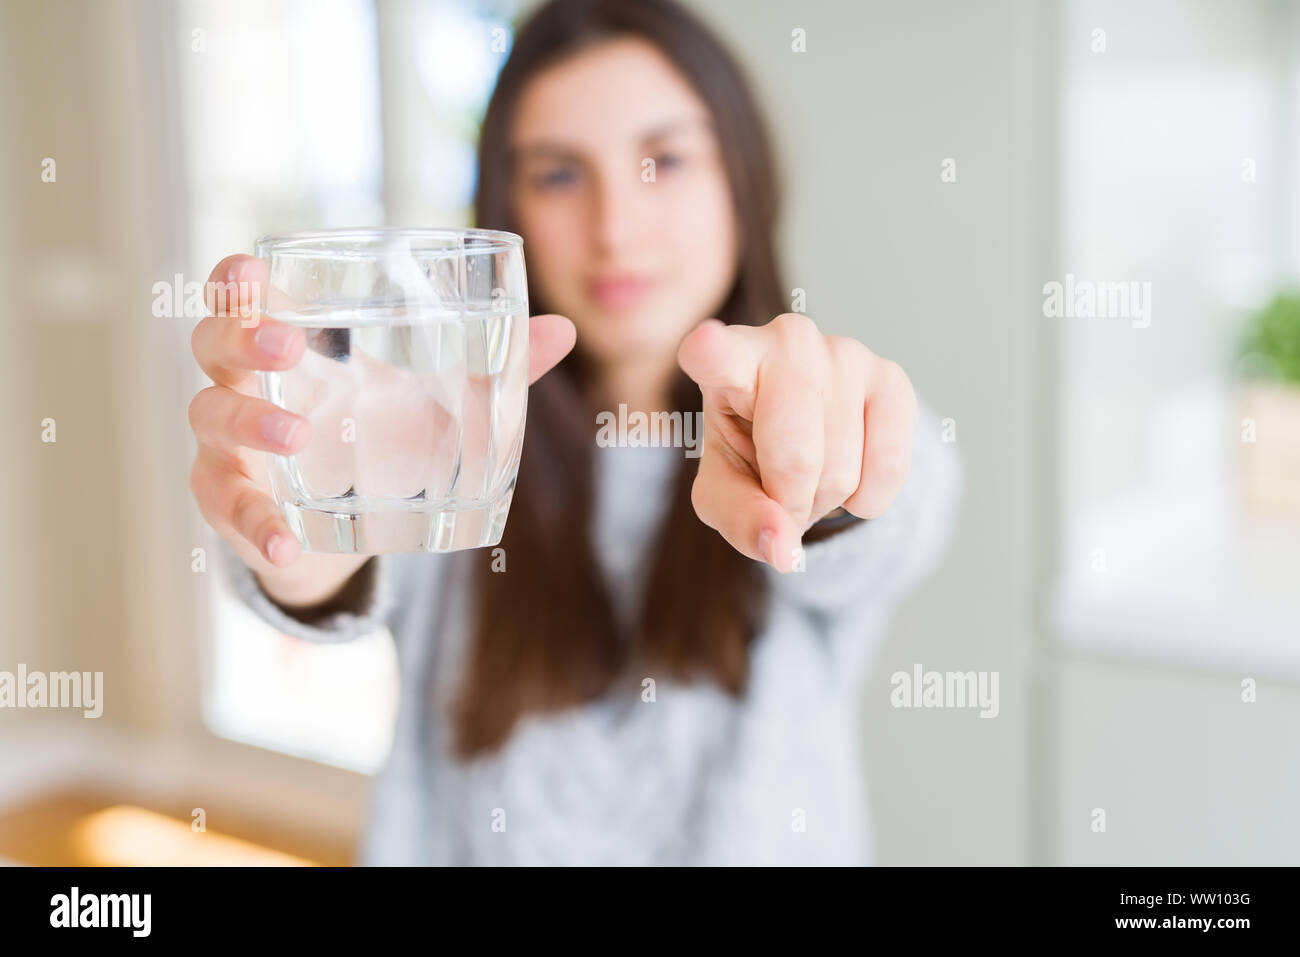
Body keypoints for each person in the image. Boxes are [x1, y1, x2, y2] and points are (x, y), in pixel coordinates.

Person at [188, 0, 962, 865]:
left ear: (744, 176)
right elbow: (324, 572)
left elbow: (897, 502)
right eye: (559, 174)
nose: (615, 228)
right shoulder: (455, 439)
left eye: (663, 160)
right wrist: (312, 494)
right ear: (505, 206)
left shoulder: (818, 412)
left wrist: (819, 471)